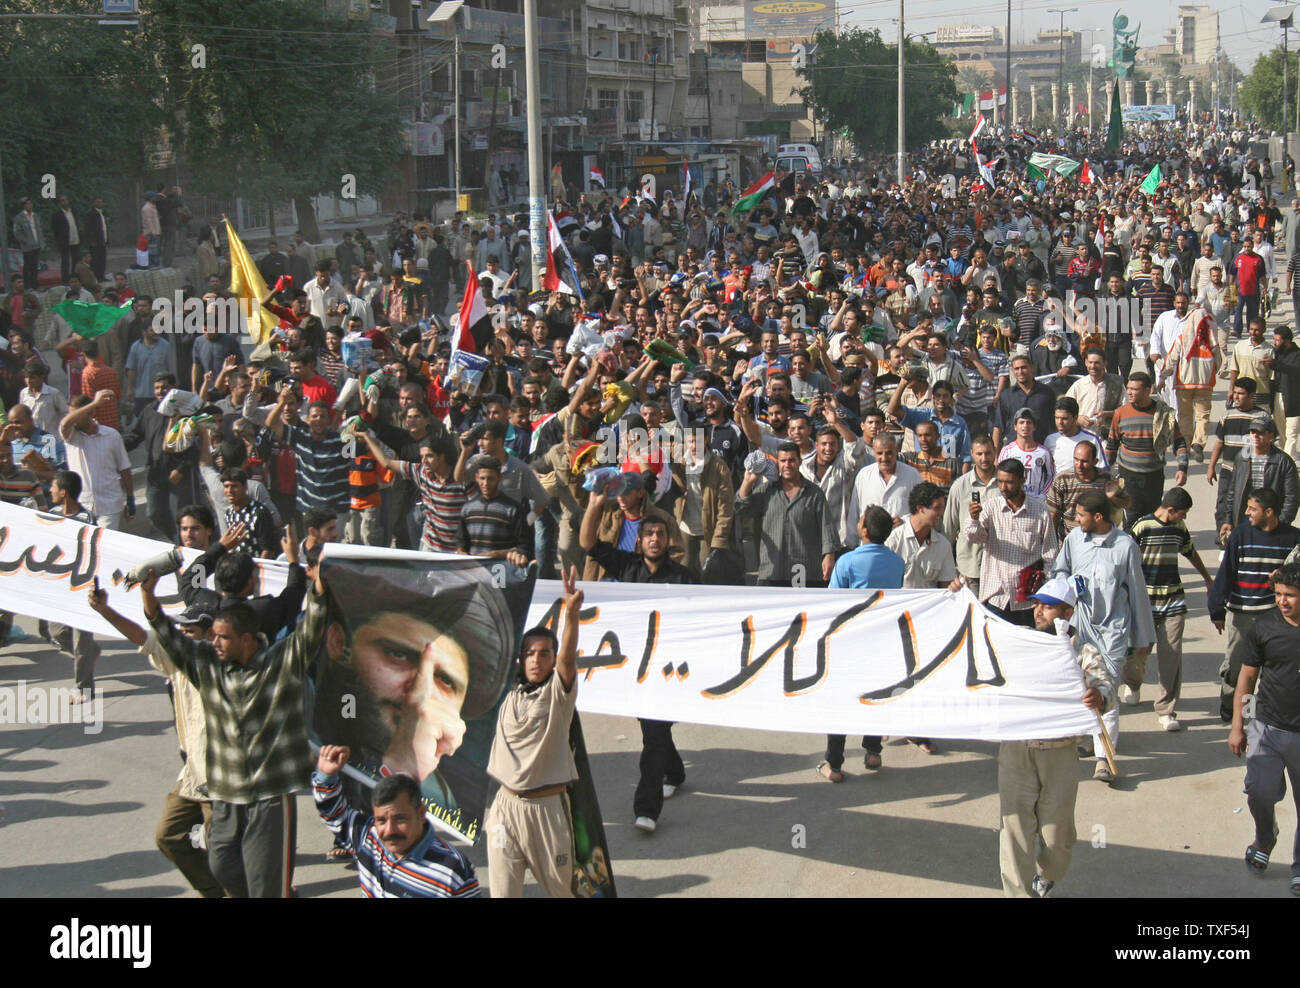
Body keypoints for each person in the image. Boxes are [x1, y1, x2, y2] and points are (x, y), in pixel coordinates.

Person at [138, 549, 330, 898]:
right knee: (222, 865)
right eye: (213, 637)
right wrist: (148, 597)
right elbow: (169, 635)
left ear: (246, 639)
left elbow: (311, 631)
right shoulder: (207, 664)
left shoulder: (281, 663)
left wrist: (316, 589)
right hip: (226, 792)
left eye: (223, 637)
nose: (215, 643)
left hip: (269, 795)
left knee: (265, 882)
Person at [87, 586, 224, 898]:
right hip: (192, 774)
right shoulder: (177, 659)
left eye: (189, 630)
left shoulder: (225, 664)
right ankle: (214, 891)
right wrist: (104, 610)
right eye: (181, 630)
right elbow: (141, 636)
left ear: (210, 633)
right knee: (169, 836)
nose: (182, 636)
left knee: (224, 852)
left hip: (222, 777)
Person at [580, 489, 697, 832]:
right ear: (639, 540)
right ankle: (674, 771)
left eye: (660, 534)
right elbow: (588, 543)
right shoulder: (626, 566)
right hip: (633, 667)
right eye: (648, 534)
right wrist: (594, 506)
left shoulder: (683, 578)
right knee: (653, 729)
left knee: (655, 734)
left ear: (667, 539)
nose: (655, 539)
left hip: (668, 669)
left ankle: (646, 809)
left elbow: (704, 618)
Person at [999, 576, 1114, 898]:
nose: (1038, 612)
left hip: (1060, 753)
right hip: (1016, 750)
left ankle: (1047, 874)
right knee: (1014, 833)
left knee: (1057, 839)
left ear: (1067, 612)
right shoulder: (1020, 644)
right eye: (1036, 604)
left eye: (1047, 607)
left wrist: (1098, 697)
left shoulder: (1082, 652)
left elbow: (1106, 689)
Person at [485, 567, 584, 898]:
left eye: (544, 653)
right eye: (529, 653)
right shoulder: (507, 692)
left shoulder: (558, 694)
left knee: (561, 893)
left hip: (546, 812)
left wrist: (571, 616)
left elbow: (568, 661)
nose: (536, 660)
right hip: (504, 809)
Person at [1051, 489, 1156, 783]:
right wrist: (1068, 587)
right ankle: (1088, 735)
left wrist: (1143, 639)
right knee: (1083, 688)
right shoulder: (1073, 541)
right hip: (1081, 629)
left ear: (1098, 517)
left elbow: (1136, 592)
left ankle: (1103, 759)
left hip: (1113, 632)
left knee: (1106, 691)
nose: (1076, 519)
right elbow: (1059, 571)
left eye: (1081, 515)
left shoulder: (1125, 547)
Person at [312, 746, 481, 897]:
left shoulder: (452, 871)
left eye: (400, 819)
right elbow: (333, 814)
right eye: (381, 821)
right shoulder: (368, 837)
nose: (389, 830)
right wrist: (326, 775)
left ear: (421, 813)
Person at [1228, 563, 1300, 895]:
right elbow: (1247, 678)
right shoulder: (1264, 627)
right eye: (1280, 594)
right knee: (1259, 791)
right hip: (1267, 727)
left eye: (1291, 596)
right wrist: (1239, 725)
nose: (1283, 601)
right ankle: (1266, 836)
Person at [821, 506, 904, 780]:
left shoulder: (847, 562)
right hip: (883, 640)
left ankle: (833, 763)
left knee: (841, 700)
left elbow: (834, 601)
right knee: (875, 696)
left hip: (851, 641)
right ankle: (873, 750)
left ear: (864, 530)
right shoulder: (896, 562)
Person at [1210, 489, 1300, 723]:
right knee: (1236, 668)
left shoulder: (1293, 538)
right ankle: (1231, 704)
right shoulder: (1240, 535)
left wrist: (1284, 574)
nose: (1247, 512)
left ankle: (1251, 713)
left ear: (1269, 512)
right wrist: (1217, 608)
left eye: (1252, 509)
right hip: (1242, 615)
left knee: (1266, 670)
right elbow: (1226, 572)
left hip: (1274, 618)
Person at [1127, 488, 1213, 733]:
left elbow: (1190, 552)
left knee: (1172, 654)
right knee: (1138, 652)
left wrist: (1207, 579)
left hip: (1173, 601)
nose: (1184, 519)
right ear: (1171, 510)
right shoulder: (1141, 528)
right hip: (1144, 603)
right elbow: (1125, 559)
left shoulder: (1179, 529)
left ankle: (1166, 710)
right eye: (1182, 514)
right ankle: (1133, 684)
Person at [963, 458, 1059, 626]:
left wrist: (1046, 593)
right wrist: (974, 519)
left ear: (1022, 480)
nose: (1003, 487)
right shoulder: (990, 508)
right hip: (996, 598)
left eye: (1009, 482)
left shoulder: (1040, 511)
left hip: (1028, 601)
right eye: (999, 482)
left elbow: (1050, 554)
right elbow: (974, 537)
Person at [736, 442, 838, 587]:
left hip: (804, 570)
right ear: (778, 463)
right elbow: (742, 509)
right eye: (783, 461)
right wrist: (748, 481)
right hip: (772, 569)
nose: (787, 465)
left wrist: (829, 556)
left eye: (792, 460)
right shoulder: (767, 490)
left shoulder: (814, 493)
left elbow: (826, 527)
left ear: (800, 461)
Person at [1105, 371, 1188, 529]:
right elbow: (1111, 446)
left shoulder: (1163, 414)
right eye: (1128, 388)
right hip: (1128, 477)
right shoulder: (1120, 413)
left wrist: (1182, 468)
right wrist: (1104, 474)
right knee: (1131, 519)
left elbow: (1178, 441)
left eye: (1135, 389)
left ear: (1148, 390)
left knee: (1152, 519)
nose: (1129, 392)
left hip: (1154, 477)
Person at [1216, 415, 1299, 540]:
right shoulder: (1242, 457)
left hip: (1271, 520)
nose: (1255, 436)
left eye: (1260, 432)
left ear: (1271, 435)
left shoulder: (1284, 462)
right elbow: (1232, 491)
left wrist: (1281, 523)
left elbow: (1292, 498)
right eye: (1252, 432)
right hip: (1245, 517)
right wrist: (1228, 519)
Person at [58, 391, 133, 530]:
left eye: (78, 414)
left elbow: (124, 468)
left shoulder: (111, 435)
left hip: (109, 506)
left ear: (91, 414)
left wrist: (130, 497)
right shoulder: (71, 436)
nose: (73, 419)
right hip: (81, 505)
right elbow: (64, 424)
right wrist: (95, 403)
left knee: (102, 546)